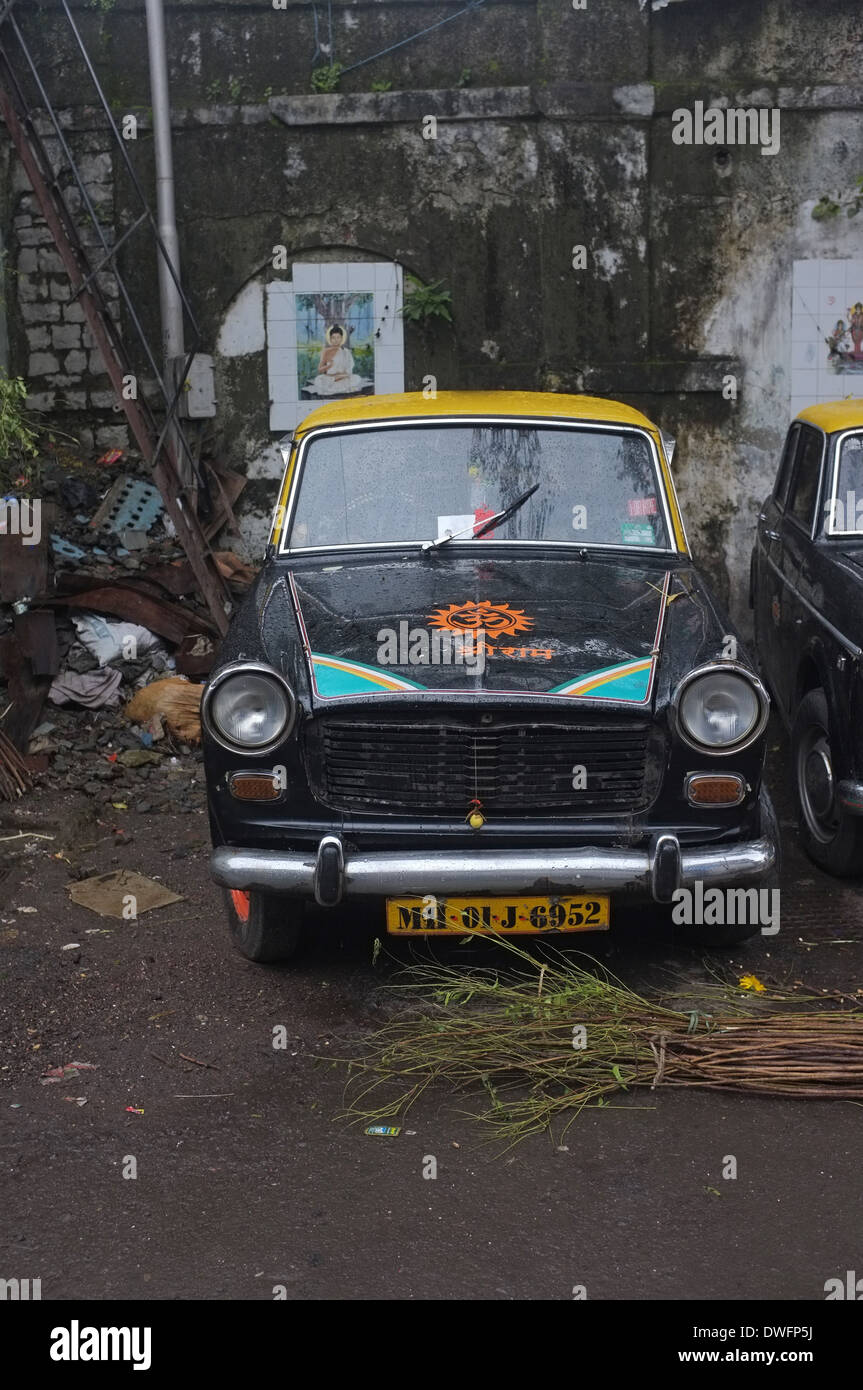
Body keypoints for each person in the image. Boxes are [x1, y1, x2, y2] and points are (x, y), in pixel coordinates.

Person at [309, 324, 364, 396]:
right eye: (333, 338)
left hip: (343, 378)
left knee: (357, 379)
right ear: (330, 339)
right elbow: (320, 369)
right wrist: (329, 366)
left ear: (342, 338)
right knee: (318, 380)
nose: (336, 340)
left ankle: (336, 385)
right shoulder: (326, 351)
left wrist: (340, 376)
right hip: (330, 378)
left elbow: (349, 370)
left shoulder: (346, 352)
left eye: (338, 337)